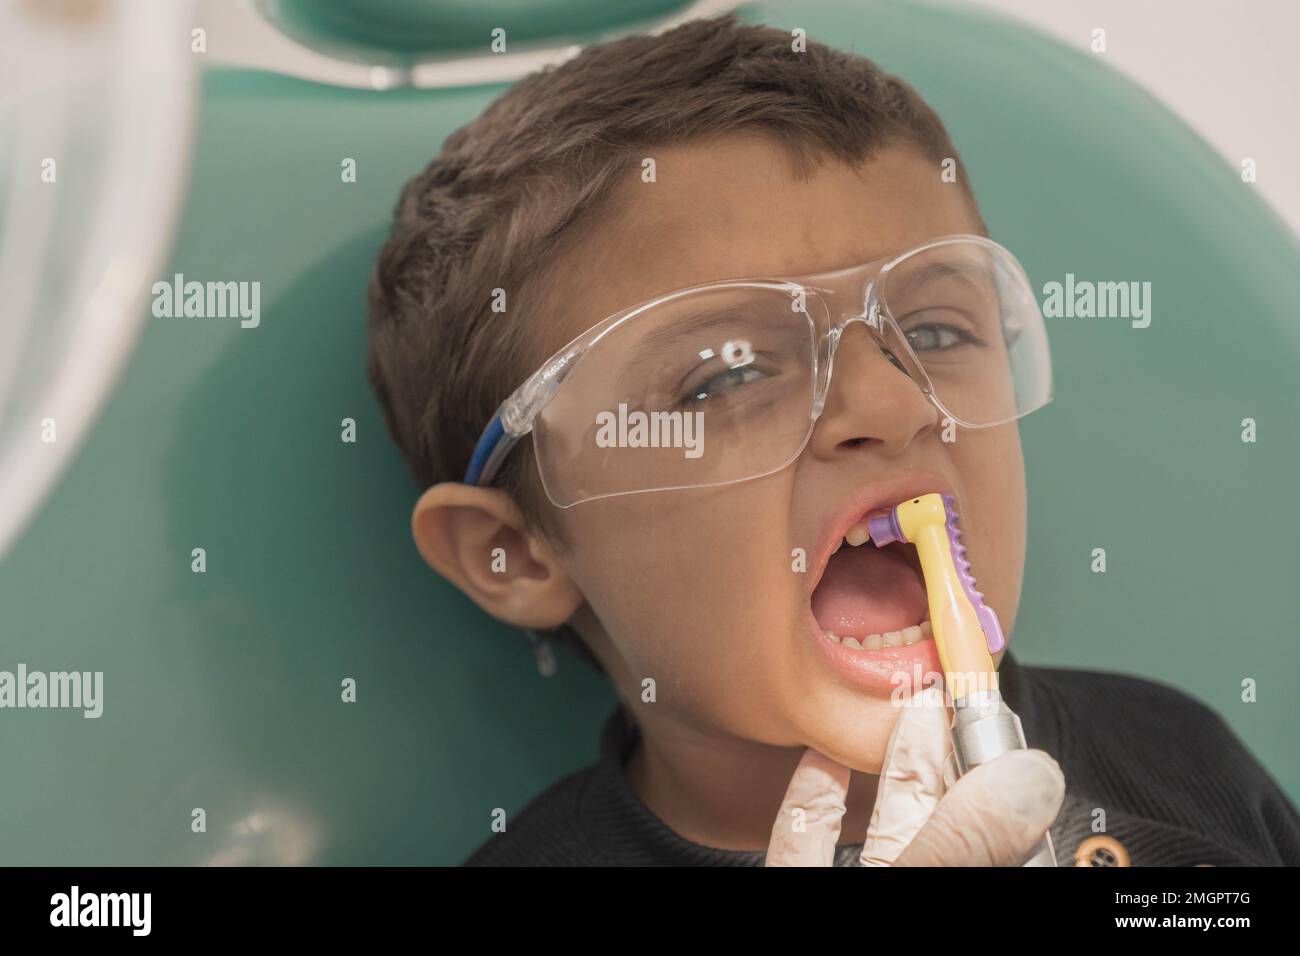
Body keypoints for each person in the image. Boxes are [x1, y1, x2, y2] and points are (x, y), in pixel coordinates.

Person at [365, 14, 1300, 866]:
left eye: (935, 330)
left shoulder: (1180, 762)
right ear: (517, 550)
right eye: (728, 373)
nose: (889, 403)